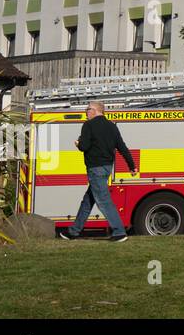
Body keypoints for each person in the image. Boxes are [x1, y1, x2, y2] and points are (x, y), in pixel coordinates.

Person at [58, 100, 137, 243]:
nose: (85, 112)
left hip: (95, 168)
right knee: (88, 201)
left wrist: (78, 144)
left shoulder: (88, 125)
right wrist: (132, 166)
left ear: (95, 110)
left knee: (103, 201)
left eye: (87, 109)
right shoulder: (112, 126)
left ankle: (119, 232)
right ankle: (73, 231)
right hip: (107, 168)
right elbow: (122, 147)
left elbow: (84, 146)